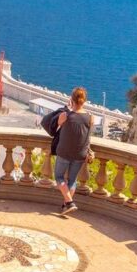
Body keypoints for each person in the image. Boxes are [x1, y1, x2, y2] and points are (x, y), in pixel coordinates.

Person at [52, 87, 93, 215]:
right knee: (72, 180)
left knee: (59, 177)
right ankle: (66, 205)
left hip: (64, 152)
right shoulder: (91, 118)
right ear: (84, 101)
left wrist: (68, 108)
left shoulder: (65, 115)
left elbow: (55, 126)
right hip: (80, 154)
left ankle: (69, 202)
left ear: (71, 99)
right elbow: (88, 137)